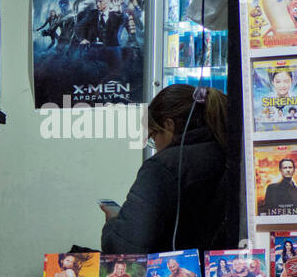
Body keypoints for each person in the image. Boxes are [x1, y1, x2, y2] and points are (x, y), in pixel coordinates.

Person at [100, 85, 237, 254]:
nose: (155, 145)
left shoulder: (163, 166)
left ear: (169, 125)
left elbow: (125, 248)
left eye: (153, 136)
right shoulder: (231, 154)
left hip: (170, 272)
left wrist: (113, 222)